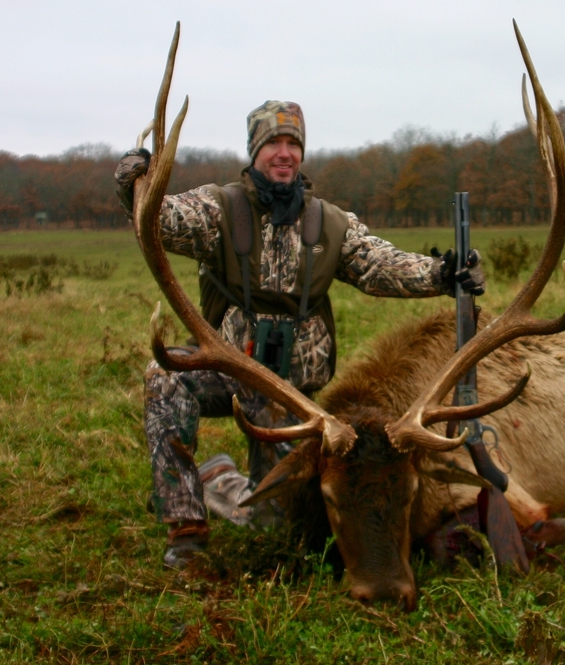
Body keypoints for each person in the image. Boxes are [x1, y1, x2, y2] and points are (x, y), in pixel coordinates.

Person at [114, 100, 485, 569]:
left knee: (281, 522)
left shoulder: (329, 223)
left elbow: (380, 265)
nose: (284, 153)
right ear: (255, 151)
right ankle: (185, 531)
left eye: (293, 144)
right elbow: (164, 219)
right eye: (273, 143)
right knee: (164, 376)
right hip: (231, 373)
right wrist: (134, 186)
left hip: (296, 400)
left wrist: (440, 274)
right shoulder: (219, 208)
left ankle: (219, 481)